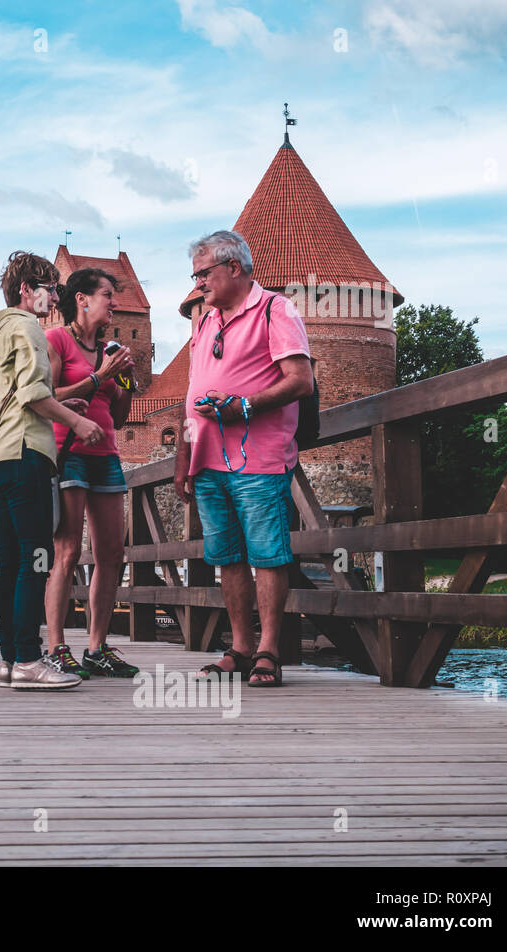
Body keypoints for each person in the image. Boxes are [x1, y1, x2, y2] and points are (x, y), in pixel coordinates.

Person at [174, 230, 314, 688]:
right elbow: (191, 395)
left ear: (234, 268)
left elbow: (300, 380)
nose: (198, 285)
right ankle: (240, 646)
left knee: (268, 554)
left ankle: (269, 651)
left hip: (259, 455)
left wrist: (246, 405)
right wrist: (183, 457)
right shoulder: (206, 322)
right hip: (209, 460)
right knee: (227, 556)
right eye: (195, 276)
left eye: (203, 274)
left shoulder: (277, 309)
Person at [0, 251, 105, 690]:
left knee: (11, 562)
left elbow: (14, 398)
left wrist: (60, 404)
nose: (55, 297)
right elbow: (33, 394)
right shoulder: (29, 327)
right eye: (48, 288)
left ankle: (11, 660)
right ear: (24, 292)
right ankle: (32, 660)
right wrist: (76, 420)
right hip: (27, 454)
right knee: (37, 558)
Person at [42, 268, 140, 679]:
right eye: (106, 295)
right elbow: (43, 395)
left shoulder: (110, 348)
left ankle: (97, 647)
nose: (113, 303)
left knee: (112, 554)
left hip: (106, 454)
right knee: (66, 551)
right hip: (69, 452)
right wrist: (97, 377)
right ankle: (56, 646)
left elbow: (118, 416)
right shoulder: (56, 340)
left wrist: (127, 383)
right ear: (81, 299)